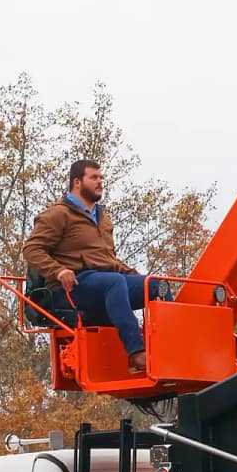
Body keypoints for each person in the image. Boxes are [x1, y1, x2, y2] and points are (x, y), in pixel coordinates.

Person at [22, 159, 172, 374]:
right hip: (72, 287)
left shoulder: (102, 218)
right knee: (114, 282)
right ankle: (136, 352)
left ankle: (169, 349)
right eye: (94, 178)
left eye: (101, 178)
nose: (100, 182)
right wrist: (59, 271)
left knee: (156, 285)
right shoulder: (58, 214)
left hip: (104, 281)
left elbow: (108, 259)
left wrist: (135, 276)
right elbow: (32, 249)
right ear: (77, 182)